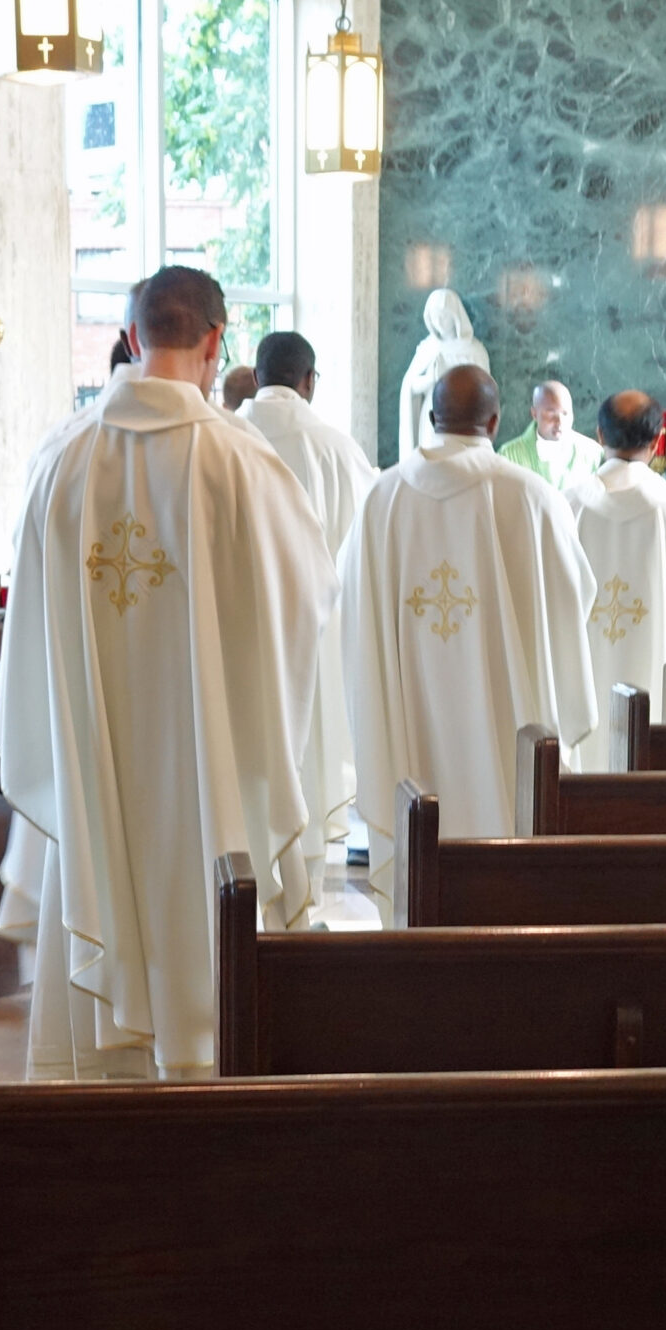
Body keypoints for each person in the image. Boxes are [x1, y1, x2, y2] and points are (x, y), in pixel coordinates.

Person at [0, 266, 335, 1079]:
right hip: (206, 785)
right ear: (216, 342)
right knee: (206, 991)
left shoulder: (62, 462)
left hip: (95, 772)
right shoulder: (242, 466)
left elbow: (27, 631)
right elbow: (307, 606)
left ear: (133, 337)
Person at [344, 365, 599, 921]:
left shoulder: (380, 499)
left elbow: (353, 614)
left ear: (432, 417)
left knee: (418, 872)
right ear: (496, 420)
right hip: (508, 741)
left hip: (408, 738)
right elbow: (575, 597)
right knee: (508, 879)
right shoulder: (532, 499)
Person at [237, 331, 376, 902]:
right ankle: (304, 896)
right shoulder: (338, 450)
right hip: (312, 643)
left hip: (235, 642)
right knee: (310, 765)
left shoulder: (219, 438)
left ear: (253, 375)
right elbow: (367, 555)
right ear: (309, 381)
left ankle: (235, 895)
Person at [567, 390, 666, 705]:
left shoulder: (567, 507)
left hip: (580, 684)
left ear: (599, 434)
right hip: (655, 686)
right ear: (656, 440)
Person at [396, 288, 491, 464]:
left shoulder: (474, 351)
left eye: (443, 316)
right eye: (434, 317)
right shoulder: (428, 348)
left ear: (455, 316)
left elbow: (486, 394)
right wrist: (431, 379)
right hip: (432, 419)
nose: (439, 322)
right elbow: (411, 386)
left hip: (465, 421)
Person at [498, 380, 604, 492]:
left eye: (565, 413)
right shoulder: (507, 456)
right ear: (534, 414)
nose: (559, 422)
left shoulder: (593, 453)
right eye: (551, 413)